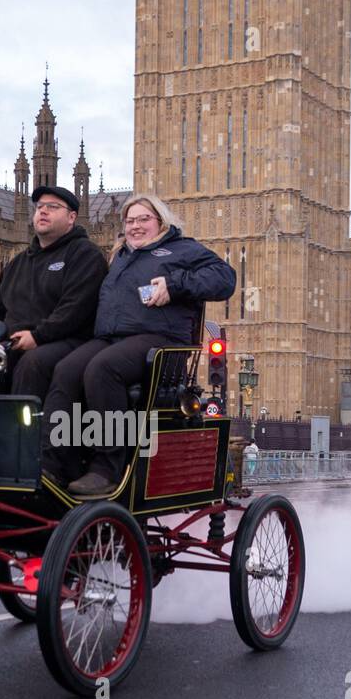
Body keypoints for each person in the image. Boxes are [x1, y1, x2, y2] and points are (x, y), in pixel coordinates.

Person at [41, 194, 236, 498]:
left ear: (160, 221)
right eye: (130, 221)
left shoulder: (183, 249)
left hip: (161, 342)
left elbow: (225, 279)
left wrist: (175, 284)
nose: (136, 226)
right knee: (65, 369)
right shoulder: (120, 257)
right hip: (114, 338)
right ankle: (55, 462)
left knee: (102, 369)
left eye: (144, 219)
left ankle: (108, 467)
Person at [0, 185, 108, 400]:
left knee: (32, 362)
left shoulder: (86, 255)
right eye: (40, 206)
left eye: (52, 207)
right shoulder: (18, 263)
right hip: (17, 341)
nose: (43, 211)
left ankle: (26, 431)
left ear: (71, 217)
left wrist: (37, 336)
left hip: (67, 341)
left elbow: (75, 309)